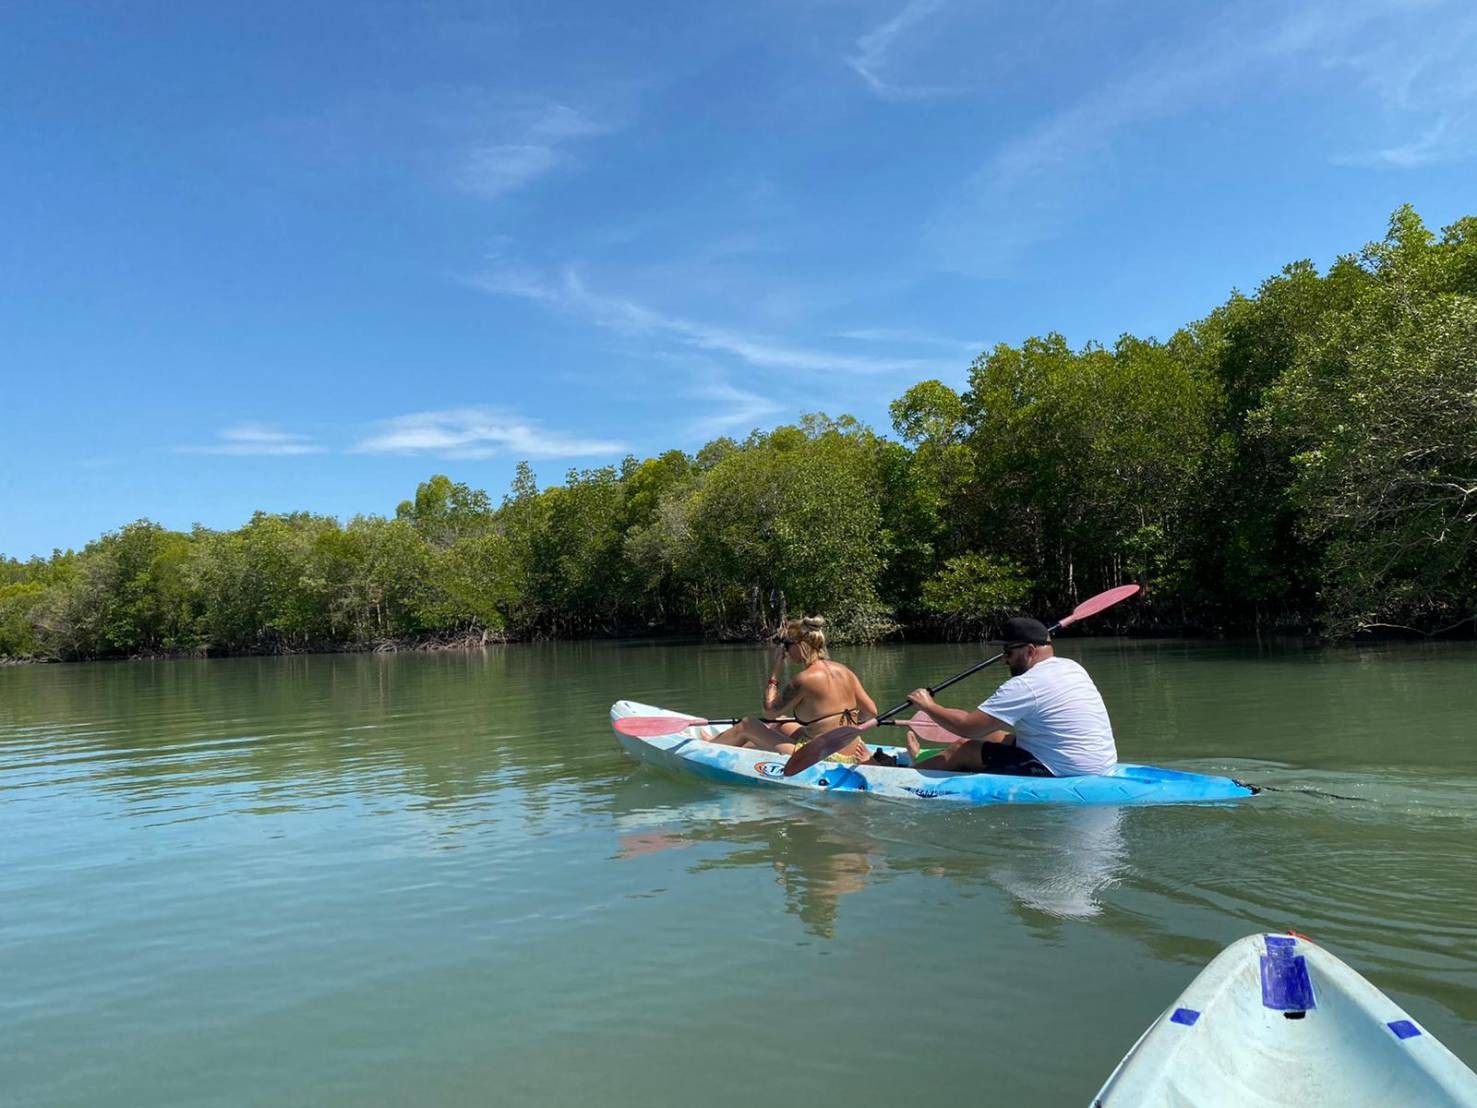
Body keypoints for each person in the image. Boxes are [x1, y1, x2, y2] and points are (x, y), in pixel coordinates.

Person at [904, 616, 1117, 777]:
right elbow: (980, 728)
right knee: (994, 735)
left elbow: (968, 727)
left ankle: (906, 776)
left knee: (964, 748)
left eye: (1008, 652)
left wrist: (927, 705)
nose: (1004, 659)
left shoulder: (1025, 684)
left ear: (1030, 651)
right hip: (1102, 762)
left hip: (1064, 769)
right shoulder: (1072, 666)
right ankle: (925, 759)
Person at [711, 616, 878, 765]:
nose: (785, 650)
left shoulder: (804, 679)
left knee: (748, 725)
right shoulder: (845, 671)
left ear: (799, 645)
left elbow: (769, 712)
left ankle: (707, 747)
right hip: (853, 750)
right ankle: (734, 743)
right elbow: (871, 711)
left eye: (787, 645)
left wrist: (775, 668)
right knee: (782, 722)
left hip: (821, 757)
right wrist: (839, 725)